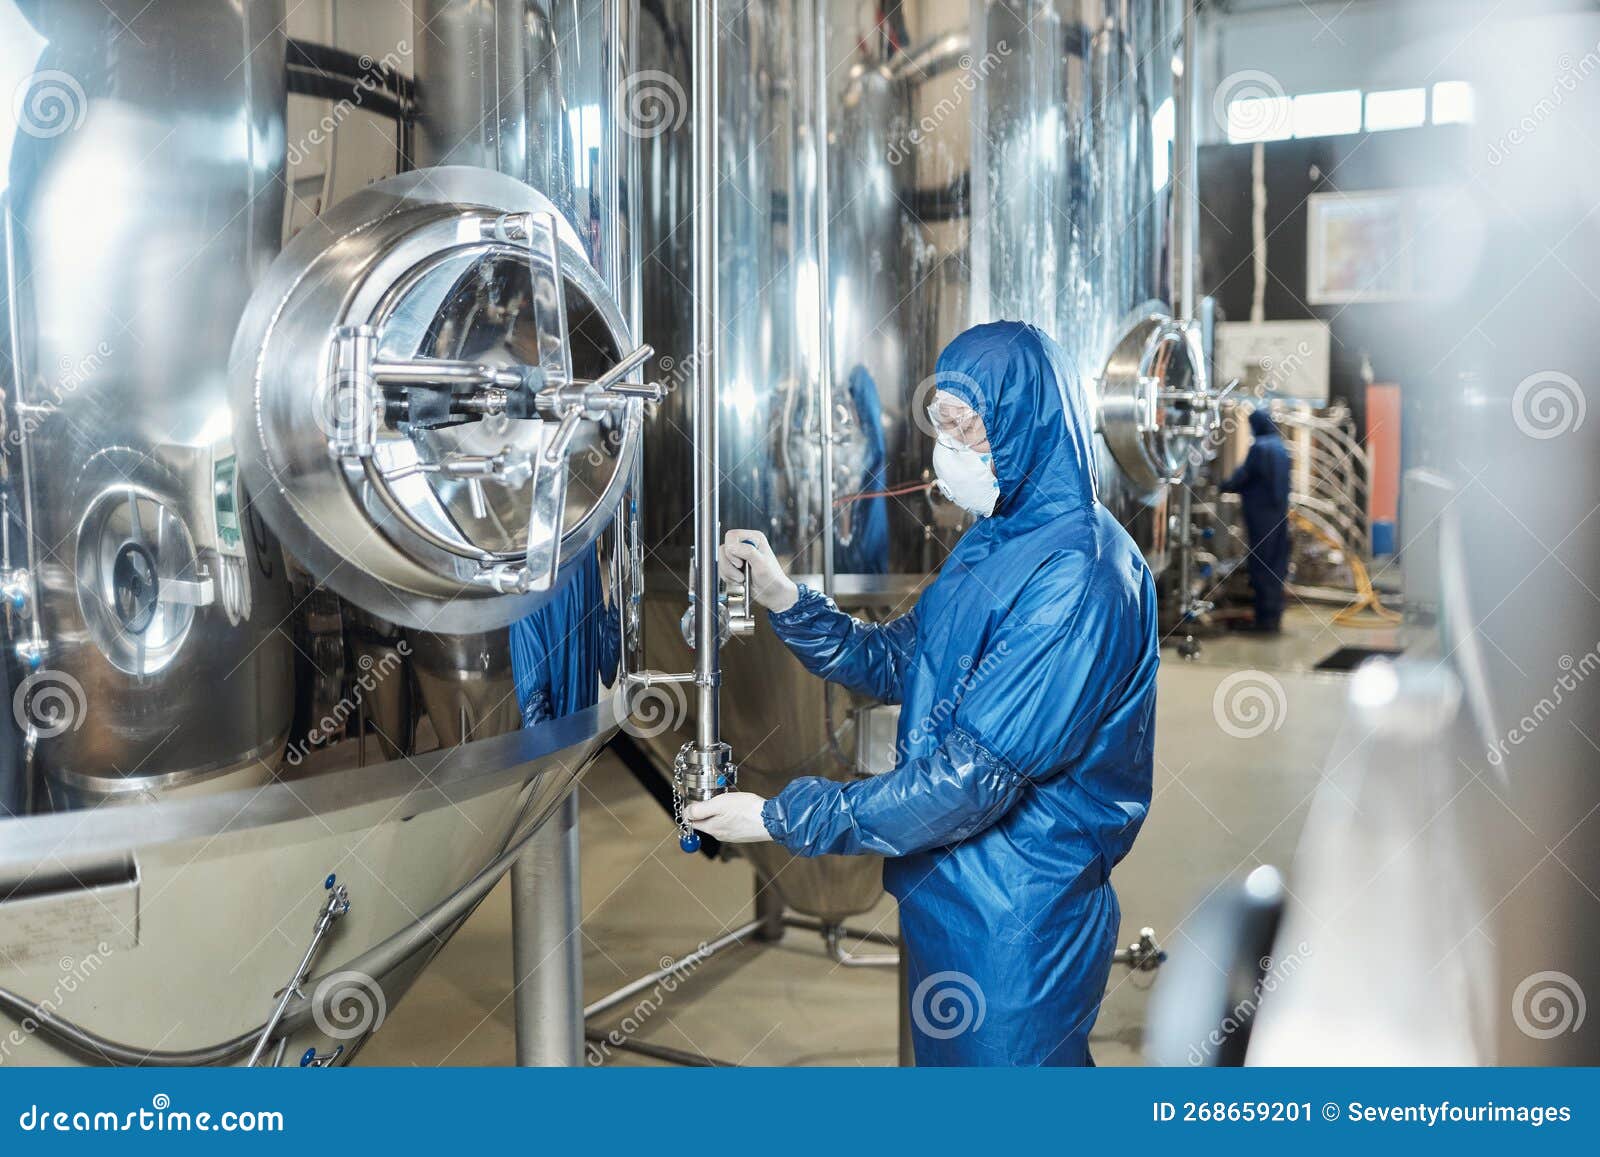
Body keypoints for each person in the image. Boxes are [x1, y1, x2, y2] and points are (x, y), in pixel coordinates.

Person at [684, 321, 1159, 1066]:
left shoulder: (1081, 575)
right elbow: (900, 659)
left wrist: (781, 816)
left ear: (1025, 423)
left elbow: (972, 778)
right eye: (941, 424)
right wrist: (786, 599)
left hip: (1020, 915)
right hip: (951, 894)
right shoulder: (995, 536)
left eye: (967, 427)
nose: (948, 449)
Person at [1220, 408, 1291, 634]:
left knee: (1261, 566)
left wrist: (1223, 486)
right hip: (1279, 516)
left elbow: (1243, 476)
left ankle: (1264, 620)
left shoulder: (1260, 448)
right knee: (1276, 566)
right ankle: (1274, 617)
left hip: (1261, 518)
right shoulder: (1280, 447)